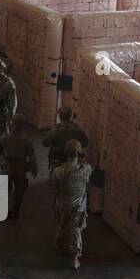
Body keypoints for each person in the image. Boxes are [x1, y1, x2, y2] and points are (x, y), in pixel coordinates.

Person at [52, 140, 94, 270]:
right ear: (79, 153)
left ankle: (61, 247)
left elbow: (55, 186)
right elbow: (89, 174)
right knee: (75, 229)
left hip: (62, 203)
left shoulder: (58, 170)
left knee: (62, 225)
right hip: (78, 205)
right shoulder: (85, 169)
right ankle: (75, 258)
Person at [1, 115, 38, 220]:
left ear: (12, 124)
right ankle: (15, 211)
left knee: (5, 190)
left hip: (8, 166)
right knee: (19, 191)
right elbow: (32, 157)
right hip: (21, 167)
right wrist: (34, 169)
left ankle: (5, 209)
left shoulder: (5, 137)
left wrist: (5, 156)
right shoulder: (27, 140)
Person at [43, 106, 90, 170]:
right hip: (73, 158)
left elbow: (45, 143)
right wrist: (75, 147)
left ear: (60, 117)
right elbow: (85, 142)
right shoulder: (77, 129)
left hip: (57, 159)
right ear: (71, 116)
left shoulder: (56, 129)